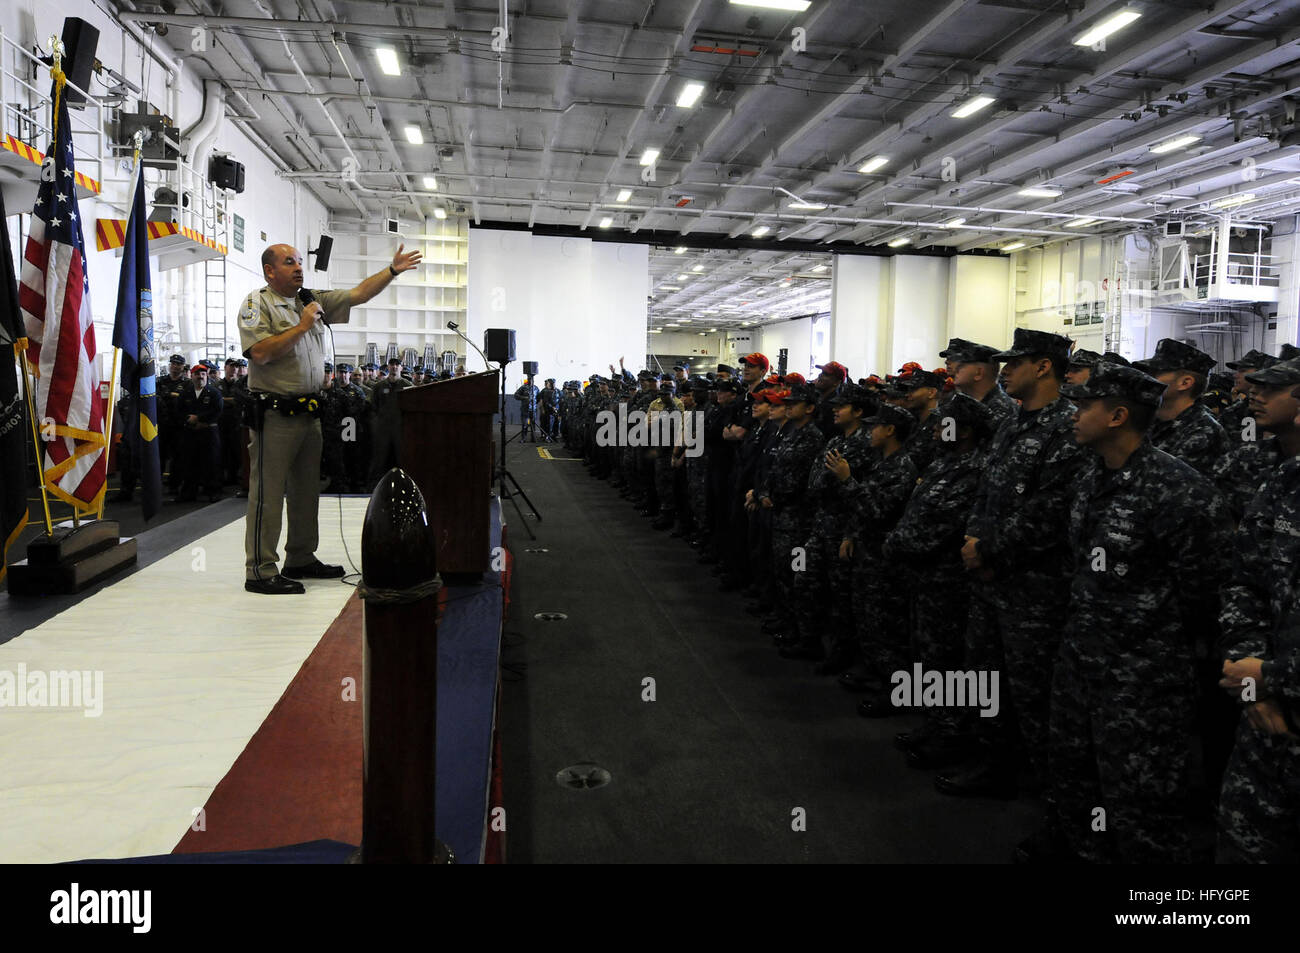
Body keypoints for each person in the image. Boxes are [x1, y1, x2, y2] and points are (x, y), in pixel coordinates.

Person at [1050, 361, 1229, 863]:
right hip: (1082, 662)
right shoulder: (1091, 479)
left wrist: (1161, 651)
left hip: (1144, 680)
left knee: (1143, 811)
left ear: (1118, 416)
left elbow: (1205, 593)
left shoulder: (1180, 490)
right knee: (1078, 786)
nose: (1074, 414)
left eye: (1085, 406)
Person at [239, 241, 421, 594]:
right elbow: (259, 353)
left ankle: (301, 557)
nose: (298, 267)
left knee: (307, 491)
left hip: (309, 413)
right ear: (270, 271)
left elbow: (357, 295)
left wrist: (393, 270)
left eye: (300, 262)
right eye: (289, 262)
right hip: (274, 415)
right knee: (268, 494)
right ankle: (259, 570)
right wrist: (303, 326)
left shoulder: (310, 299)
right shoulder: (257, 304)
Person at [1134, 338, 1229, 477]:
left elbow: (1165, 485)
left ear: (1185, 383)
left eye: (1155, 373)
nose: (1146, 378)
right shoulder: (1148, 420)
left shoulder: (1204, 432)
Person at [175, 363, 223, 503]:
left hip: (209, 432)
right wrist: (188, 420)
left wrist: (200, 418)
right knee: (190, 463)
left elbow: (217, 410)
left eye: (203, 374)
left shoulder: (214, 393)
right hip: (190, 432)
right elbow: (178, 410)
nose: (200, 377)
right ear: (191, 375)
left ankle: (213, 491)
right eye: (197, 374)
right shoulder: (185, 393)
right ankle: (188, 493)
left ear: (206, 376)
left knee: (212, 463)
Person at [368, 358, 412, 487]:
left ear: (401, 368)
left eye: (397, 365)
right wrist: (376, 425)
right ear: (388, 367)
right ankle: (374, 489)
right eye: (392, 365)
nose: (394, 367)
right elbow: (372, 408)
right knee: (379, 462)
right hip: (382, 431)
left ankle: (405, 488)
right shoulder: (379, 386)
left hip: (400, 431)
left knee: (402, 461)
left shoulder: (407, 386)